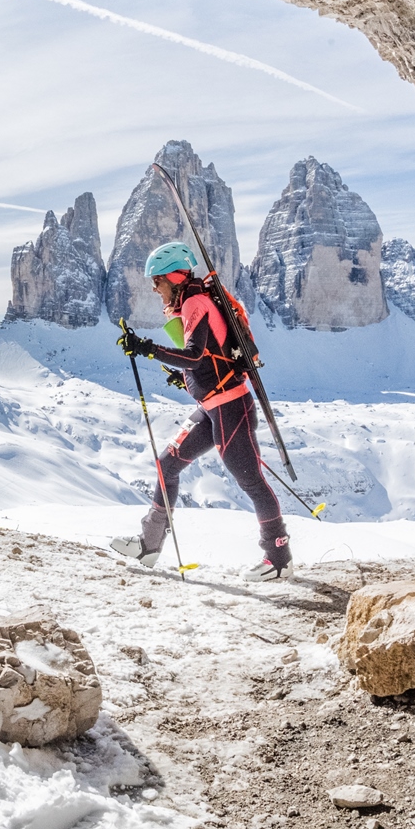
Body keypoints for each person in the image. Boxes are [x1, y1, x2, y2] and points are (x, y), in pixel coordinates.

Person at [110, 242, 294, 582]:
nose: (154, 288)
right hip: (213, 409)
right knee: (168, 464)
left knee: (251, 481)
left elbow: (194, 355)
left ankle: (278, 556)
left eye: (158, 280)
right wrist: (188, 381)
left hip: (230, 409)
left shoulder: (195, 302)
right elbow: (207, 358)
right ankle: (149, 545)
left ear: (176, 277)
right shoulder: (191, 302)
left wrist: (147, 348)